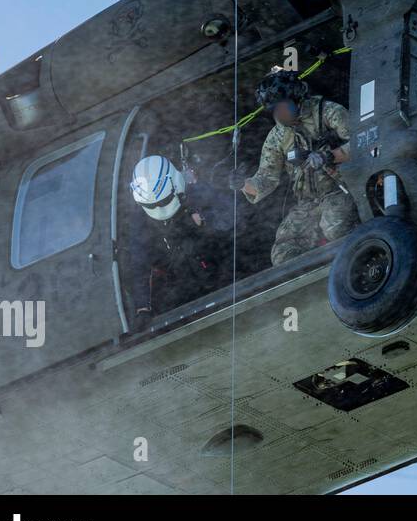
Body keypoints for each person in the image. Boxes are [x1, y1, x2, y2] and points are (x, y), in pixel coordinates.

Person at [241, 69, 360, 267]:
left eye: (284, 106)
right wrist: (241, 185)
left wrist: (329, 156)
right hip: (307, 203)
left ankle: (359, 263)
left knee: (335, 229)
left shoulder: (327, 111)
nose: (281, 113)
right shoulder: (277, 137)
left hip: (340, 190)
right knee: (282, 252)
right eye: (275, 110)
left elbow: (362, 141)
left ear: (297, 99)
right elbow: (266, 179)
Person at [128, 154, 230, 328]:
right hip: (183, 292)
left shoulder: (198, 193)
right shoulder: (141, 223)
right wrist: (143, 307)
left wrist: (205, 221)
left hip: (225, 275)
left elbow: (234, 215)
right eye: (152, 205)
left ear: (176, 185)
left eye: (164, 201)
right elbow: (139, 266)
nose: (159, 209)